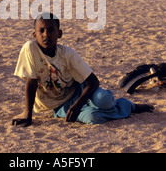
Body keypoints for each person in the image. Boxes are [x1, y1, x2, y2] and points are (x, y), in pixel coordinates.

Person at [12, 13, 154, 127]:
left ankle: (128, 105)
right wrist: (27, 116)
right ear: (34, 35)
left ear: (59, 33)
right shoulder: (30, 49)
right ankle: (123, 108)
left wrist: (77, 105)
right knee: (93, 117)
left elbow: (93, 81)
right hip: (59, 105)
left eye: (51, 30)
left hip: (78, 92)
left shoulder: (67, 54)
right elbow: (31, 82)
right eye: (41, 31)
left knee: (104, 100)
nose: (46, 35)